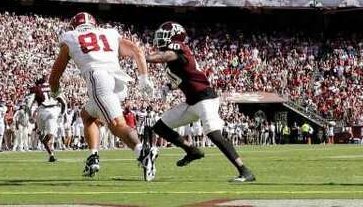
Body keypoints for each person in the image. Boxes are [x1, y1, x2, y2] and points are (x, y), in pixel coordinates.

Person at [143, 22, 256, 183]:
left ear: (174, 37)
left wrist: (141, 57)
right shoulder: (175, 56)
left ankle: (245, 171)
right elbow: (185, 77)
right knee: (160, 127)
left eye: (163, 35)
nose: (159, 38)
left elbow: (163, 56)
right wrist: (169, 86)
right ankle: (192, 150)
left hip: (205, 98)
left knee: (214, 133)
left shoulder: (178, 50)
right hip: (192, 102)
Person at [47, 11, 151, 181]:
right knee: (87, 116)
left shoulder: (70, 37)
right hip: (119, 82)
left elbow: (54, 76)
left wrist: (55, 91)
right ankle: (93, 156)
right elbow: (136, 50)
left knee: (116, 125)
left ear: (74, 26)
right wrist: (144, 78)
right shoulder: (110, 33)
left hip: (99, 78)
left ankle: (143, 152)